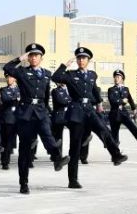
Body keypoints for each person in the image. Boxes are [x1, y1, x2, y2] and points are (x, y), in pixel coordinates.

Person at [52, 47, 128, 189]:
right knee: (75, 147)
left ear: (88, 60)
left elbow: (94, 88)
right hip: (76, 112)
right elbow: (55, 77)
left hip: (90, 110)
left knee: (104, 130)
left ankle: (116, 155)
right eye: (79, 58)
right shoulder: (70, 74)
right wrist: (64, 65)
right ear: (77, 60)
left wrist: (99, 103)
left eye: (84, 58)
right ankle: (72, 180)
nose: (81, 60)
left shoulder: (92, 75)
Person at [2, 44, 69, 194]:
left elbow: (46, 94)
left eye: (36, 55)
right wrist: (20, 58)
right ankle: (23, 183)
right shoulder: (21, 72)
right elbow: (7, 68)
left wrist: (47, 110)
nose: (33, 58)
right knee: (25, 150)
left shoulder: (46, 73)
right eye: (31, 55)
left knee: (47, 135)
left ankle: (56, 158)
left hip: (41, 111)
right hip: (25, 114)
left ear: (41, 58)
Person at [107, 71, 137, 147]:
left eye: (118, 77)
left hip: (123, 113)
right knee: (115, 133)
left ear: (122, 79)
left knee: (133, 127)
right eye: (115, 77)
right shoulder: (111, 89)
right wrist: (122, 101)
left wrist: (134, 108)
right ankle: (116, 151)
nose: (116, 79)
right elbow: (112, 100)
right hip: (114, 113)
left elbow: (130, 99)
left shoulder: (126, 89)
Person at [0, 72, 20, 170]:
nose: (8, 79)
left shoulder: (21, 89)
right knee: (6, 141)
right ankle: (5, 161)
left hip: (20, 118)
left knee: (26, 140)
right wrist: (16, 99)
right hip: (8, 119)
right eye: (7, 77)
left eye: (11, 77)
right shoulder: (3, 90)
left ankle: (28, 160)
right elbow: (5, 99)